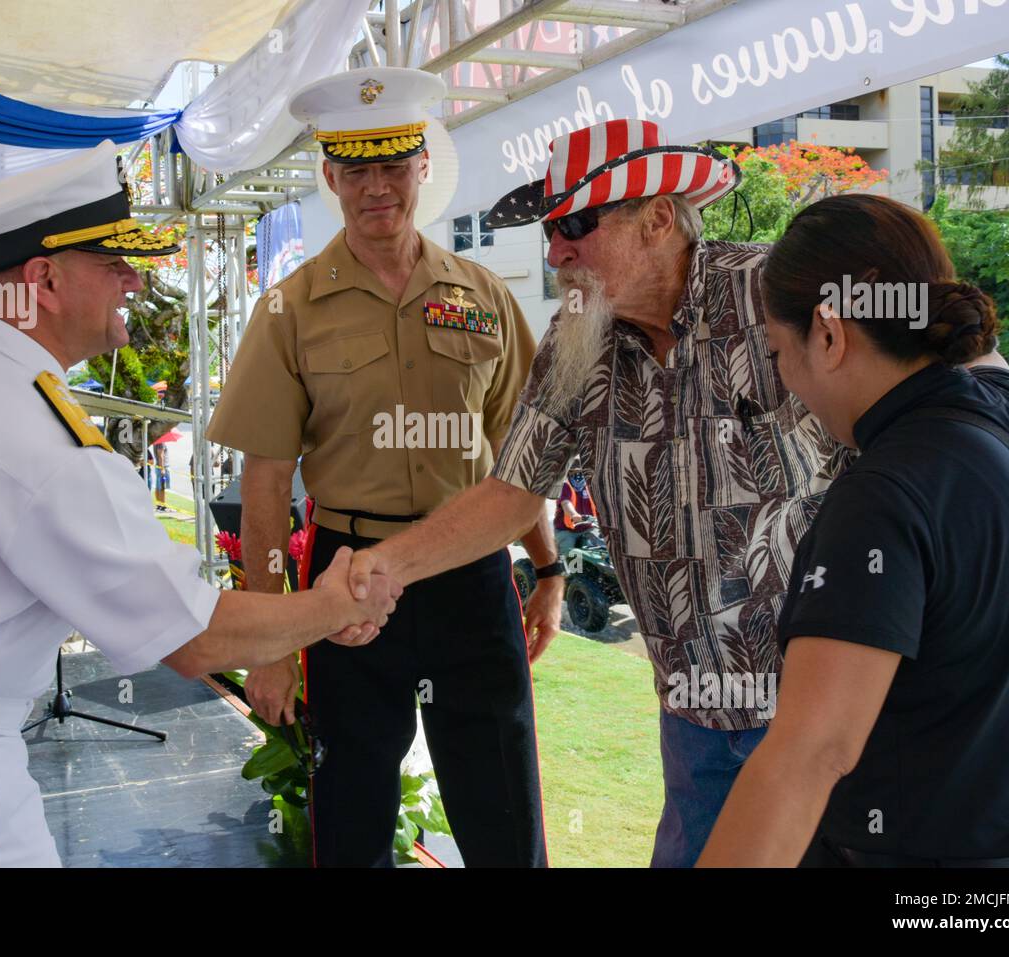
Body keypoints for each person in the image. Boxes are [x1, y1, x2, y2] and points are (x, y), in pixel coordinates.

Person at [0, 141, 399, 868]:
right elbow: (194, 637)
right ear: (43, 279)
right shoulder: (35, 434)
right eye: (113, 265)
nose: (133, 282)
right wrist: (332, 606)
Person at [348, 118, 853, 867]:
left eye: (578, 225)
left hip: (825, 714)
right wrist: (382, 567)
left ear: (656, 218)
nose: (556, 253)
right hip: (691, 719)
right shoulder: (575, 333)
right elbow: (514, 491)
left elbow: (925, 408)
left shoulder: (776, 292)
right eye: (552, 230)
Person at [205, 67, 557, 867]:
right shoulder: (288, 309)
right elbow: (265, 480)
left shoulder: (483, 296)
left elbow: (518, 453)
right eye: (355, 169)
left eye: (393, 165)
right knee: (354, 811)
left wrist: (547, 566)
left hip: (472, 575)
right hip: (349, 581)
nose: (377, 189)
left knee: (503, 808)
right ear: (329, 176)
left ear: (422, 166)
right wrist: (268, 640)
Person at [697, 194, 1009, 867]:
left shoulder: (881, 499)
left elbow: (812, 755)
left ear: (830, 333)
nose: (785, 381)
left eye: (781, 351)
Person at [553, 459, 600, 555]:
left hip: (587, 528)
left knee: (601, 547)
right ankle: (563, 568)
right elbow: (566, 504)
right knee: (568, 551)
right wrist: (574, 515)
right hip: (566, 530)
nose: (578, 476)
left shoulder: (590, 487)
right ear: (568, 474)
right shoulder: (565, 487)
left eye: (581, 473)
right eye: (574, 473)